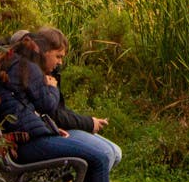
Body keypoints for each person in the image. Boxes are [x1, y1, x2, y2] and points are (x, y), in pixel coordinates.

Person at [0, 35, 138, 182]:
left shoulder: (16, 66)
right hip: (28, 144)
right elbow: (48, 106)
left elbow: (28, 112)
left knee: (95, 156)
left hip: (27, 140)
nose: (60, 62)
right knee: (98, 157)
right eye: (58, 56)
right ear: (42, 51)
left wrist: (50, 129)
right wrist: (51, 87)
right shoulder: (29, 69)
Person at [21, 27, 123, 174]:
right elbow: (52, 113)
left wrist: (89, 121)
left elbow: (59, 109)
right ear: (45, 52)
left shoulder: (49, 74)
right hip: (46, 133)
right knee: (106, 153)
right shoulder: (34, 76)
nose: (61, 62)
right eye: (58, 57)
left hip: (52, 128)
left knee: (116, 152)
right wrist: (88, 123)